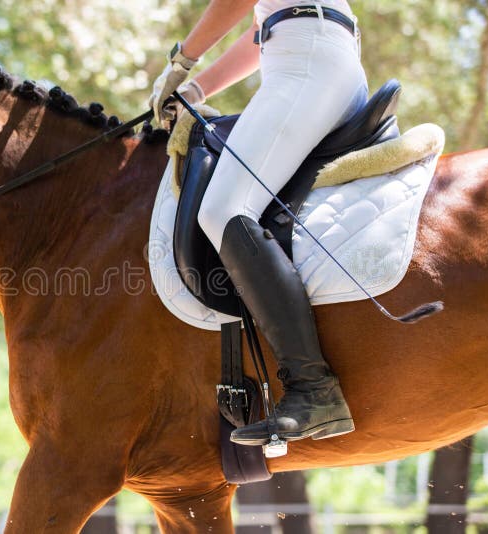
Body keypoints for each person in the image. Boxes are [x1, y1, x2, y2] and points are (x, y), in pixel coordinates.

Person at [149, 0, 367, 446]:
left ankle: (314, 388)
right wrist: (195, 91)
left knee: (223, 209)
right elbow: (259, 33)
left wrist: (181, 60)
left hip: (306, 62)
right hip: (317, 55)